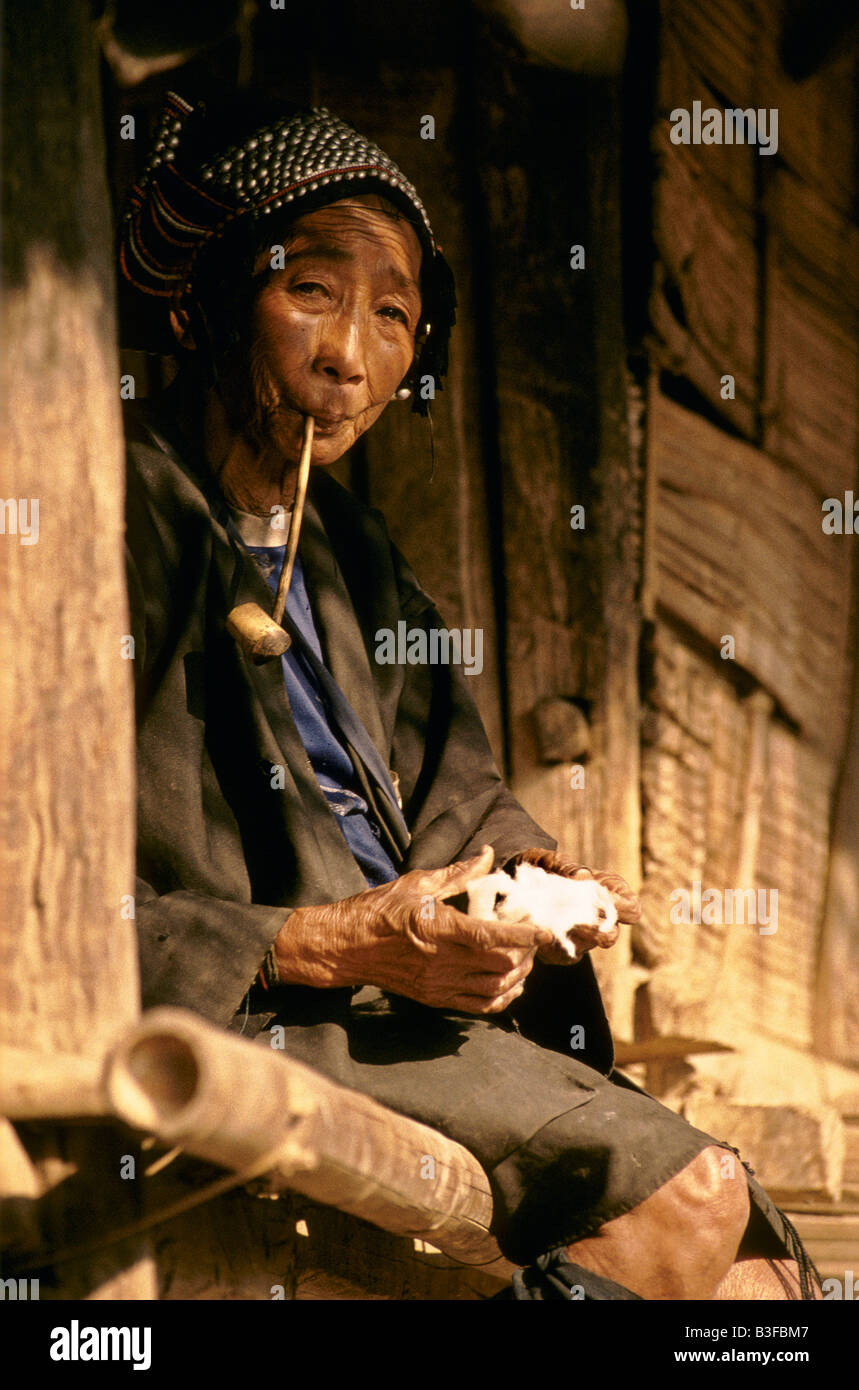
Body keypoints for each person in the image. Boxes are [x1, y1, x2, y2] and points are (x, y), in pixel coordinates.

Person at [118, 92, 819, 1300]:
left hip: (396, 1001)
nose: (350, 353)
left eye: (391, 316)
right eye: (310, 292)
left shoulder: (352, 552)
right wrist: (332, 938)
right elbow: (67, 900)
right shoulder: (101, 517)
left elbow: (460, 799)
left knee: (762, 1274)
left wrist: (526, 890)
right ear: (210, 300)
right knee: (686, 1210)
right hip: (251, 1004)